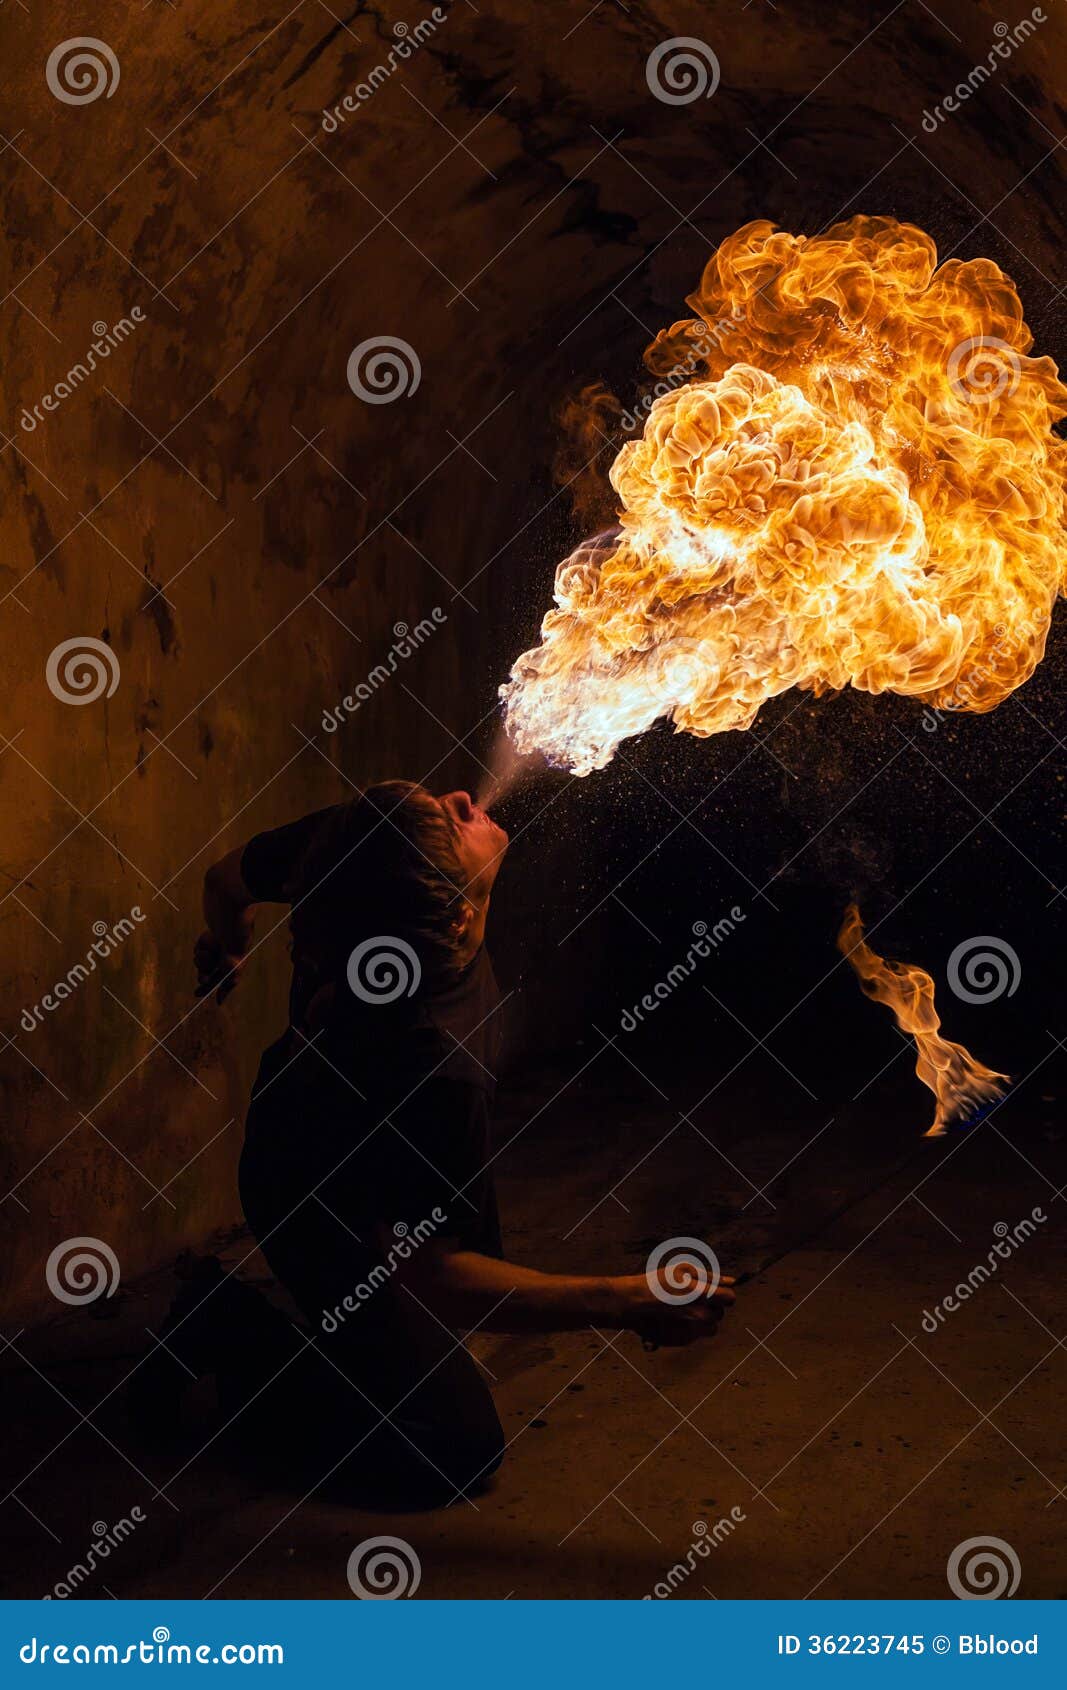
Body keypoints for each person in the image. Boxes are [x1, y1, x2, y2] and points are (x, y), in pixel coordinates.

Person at [185, 780, 734, 1506]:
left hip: (324, 1110)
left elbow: (224, 881)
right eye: (452, 820)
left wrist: (225, 949)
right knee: (450, 1446)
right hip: (308, 1194)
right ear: (456, 921)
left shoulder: (370, 836)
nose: (461, 795)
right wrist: (622, 1298)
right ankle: (224, 1329)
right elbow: (431, 1272)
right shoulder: (429, 1059)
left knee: (470, 1264)